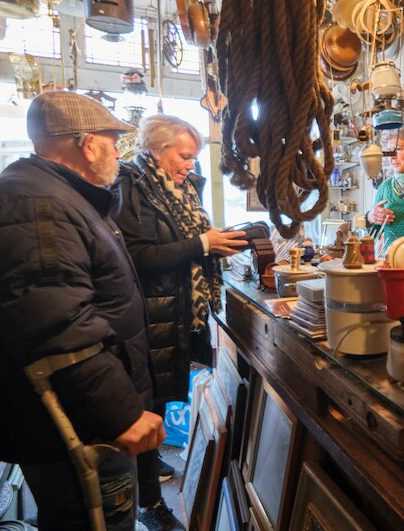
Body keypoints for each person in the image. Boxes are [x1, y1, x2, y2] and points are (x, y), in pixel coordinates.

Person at [0, 91, 164, 531]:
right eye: (113, 141)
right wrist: (119, 414)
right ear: (88, 145)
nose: (117, 154)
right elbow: (58, 328)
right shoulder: (37, 206)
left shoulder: (50, 196)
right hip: (78, 427)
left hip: (78, 418)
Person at [114, 115, 246, 529]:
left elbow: (182, 241)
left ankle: (147, 478)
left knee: (156, 401)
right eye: (184, 156)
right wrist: (202, 244)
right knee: (146, 404)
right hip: (148, 314)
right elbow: (136, 257)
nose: (191, 164)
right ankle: (149, 503)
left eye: (193, 157)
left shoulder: (182, 189)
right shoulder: (131, 185)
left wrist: (213, 245)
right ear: (155, 148)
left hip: (173, 310)